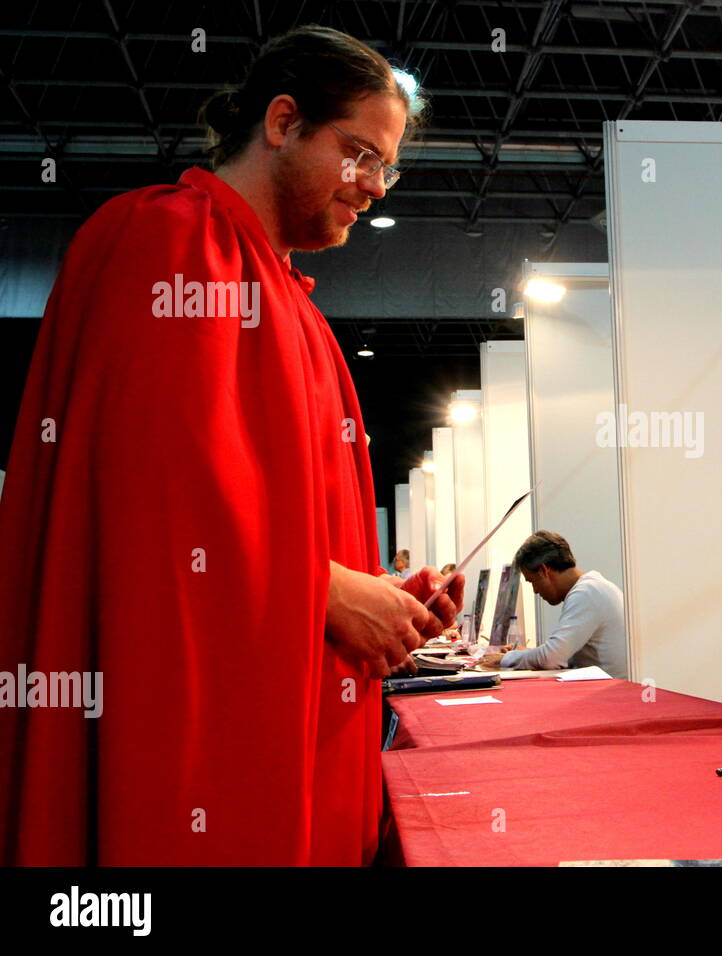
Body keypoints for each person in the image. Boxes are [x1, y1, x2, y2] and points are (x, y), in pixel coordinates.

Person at [0, 26, 462, 866]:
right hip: (193, 754)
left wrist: (385, 600)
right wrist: (321, 590)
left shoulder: (297, 313)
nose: (371, 189)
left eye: (385, 168)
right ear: (283, 121)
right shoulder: (166, 242)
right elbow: (149, 510)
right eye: (358, 154)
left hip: (289, 736)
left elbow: (264, 521)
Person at [480, 531, 627, 679]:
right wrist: (526, 654)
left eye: (532, 582)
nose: (535, 591)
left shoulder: (587, 593)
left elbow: (552, 658)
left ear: (544, 571)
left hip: (609, 693)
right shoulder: (592, 587)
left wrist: (506, 659)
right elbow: (561, 654)